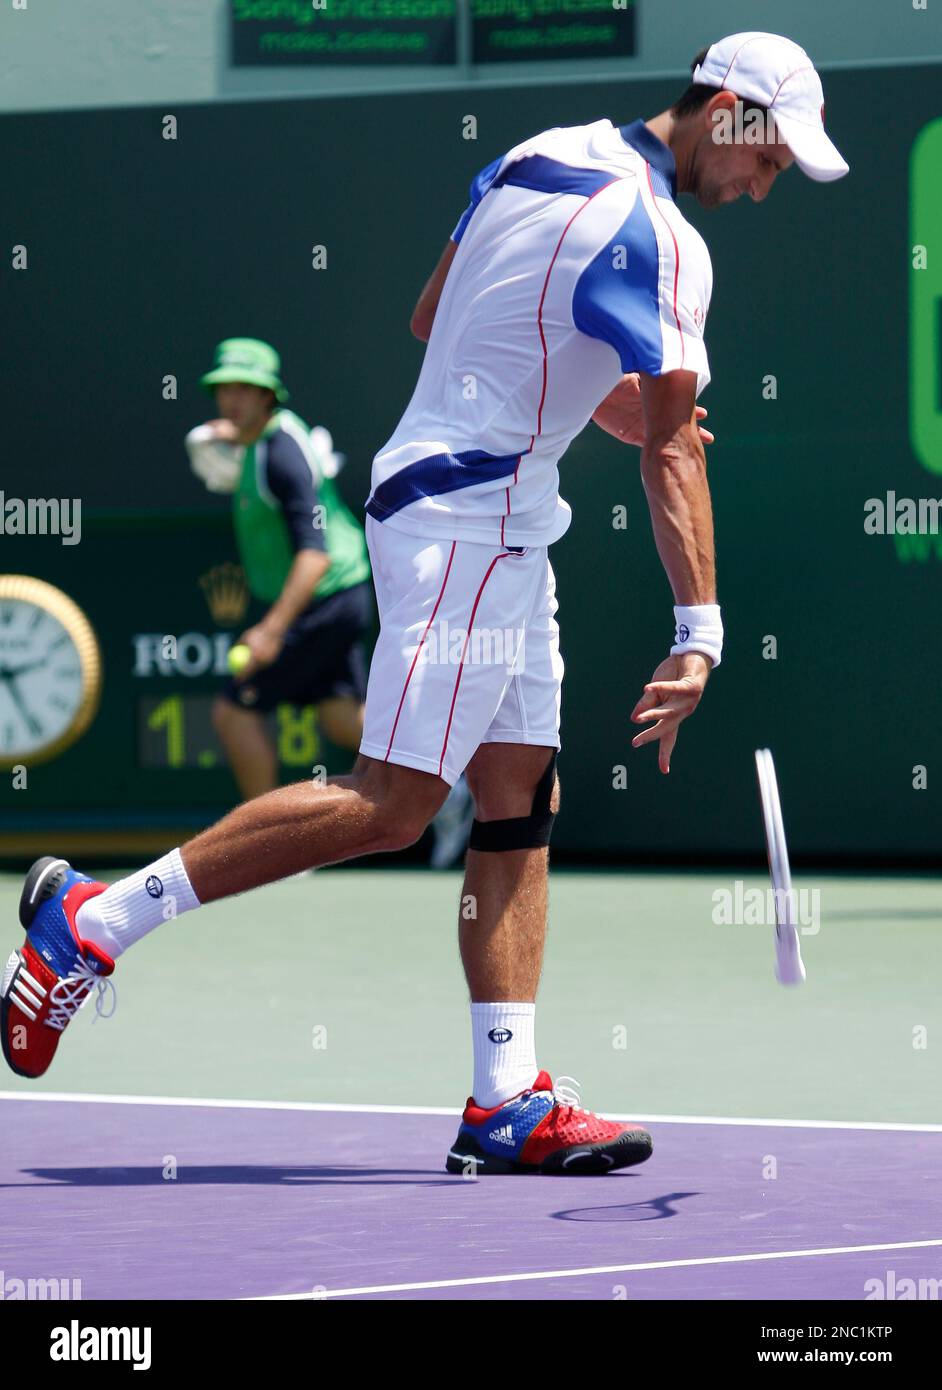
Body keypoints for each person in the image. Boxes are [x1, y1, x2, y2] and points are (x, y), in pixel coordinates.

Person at [2, 34, 848, 1176]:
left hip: (483, 510)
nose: (768, 182)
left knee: (516, 795)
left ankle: (504, 1099)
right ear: (730, 112)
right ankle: (92, 924)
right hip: (469, 522)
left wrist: (613, 411)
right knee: (395, 802)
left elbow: (437, 316)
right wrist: (700, 631)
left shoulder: (537, 154)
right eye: (774, 155)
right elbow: (672, 461)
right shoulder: (666, 244)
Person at [185, 338, 372, 800]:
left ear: (268, 395)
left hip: (326, 596)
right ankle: (456, 784)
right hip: (342, 594)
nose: (232, 399)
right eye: (225, 389)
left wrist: (270, 631)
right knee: (342, 717)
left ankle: (259, 842)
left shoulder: (281, 454)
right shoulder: (260, 443)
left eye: (245, 389)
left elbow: (315, 553)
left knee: (234, 712)